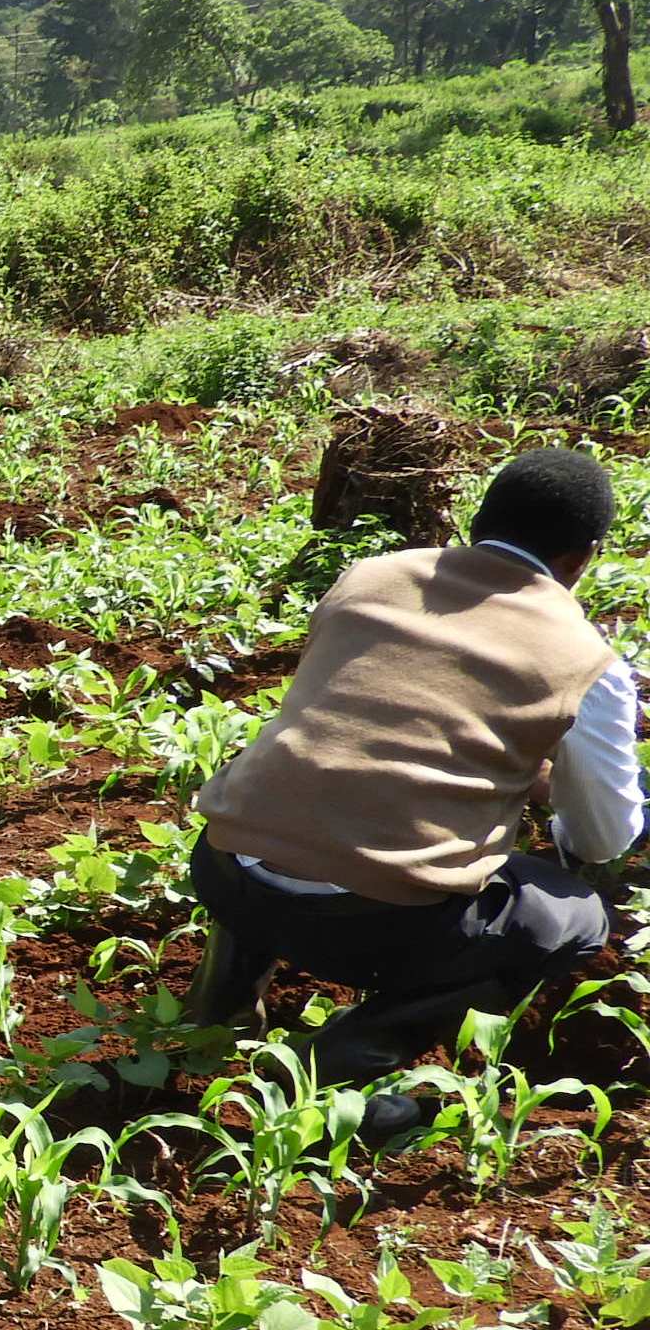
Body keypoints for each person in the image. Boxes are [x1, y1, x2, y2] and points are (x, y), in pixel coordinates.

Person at [186, 449, 640, 1140]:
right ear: (583, 558)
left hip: (226, 867)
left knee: (292, 800)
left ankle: (221, 1000)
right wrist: (547, 795)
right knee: (571, 919)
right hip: (374, 928)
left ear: (477, 522)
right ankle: (332, 1065)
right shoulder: (588, 662)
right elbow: (603, 838)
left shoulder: (369, 577)